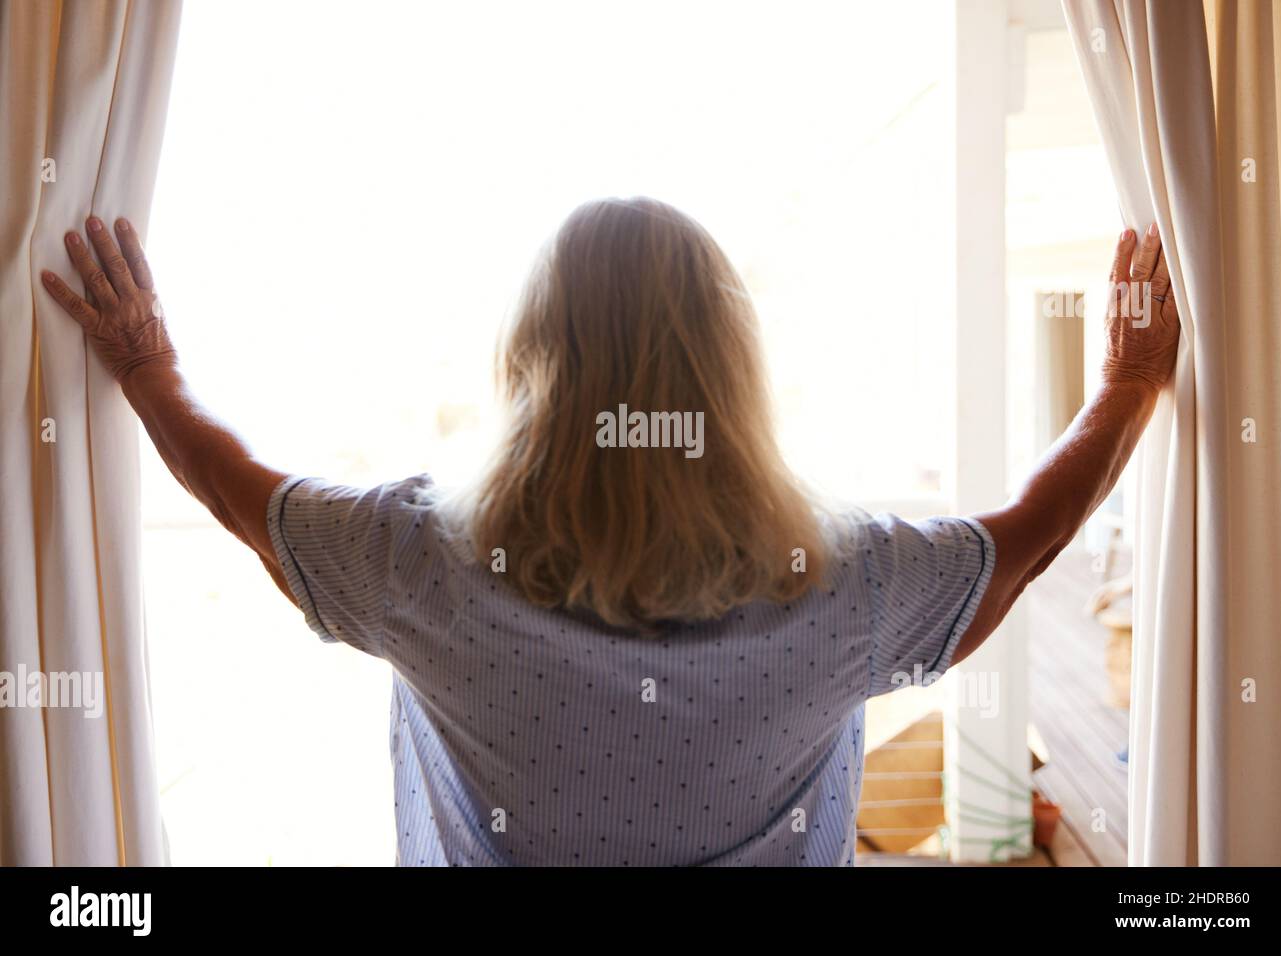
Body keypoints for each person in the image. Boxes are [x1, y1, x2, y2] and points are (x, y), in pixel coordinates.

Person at [41, 199, 1179, 865]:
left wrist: (144, 362)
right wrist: (1126, 383)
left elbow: (243, 493)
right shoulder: (849, 583)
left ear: (528, 366)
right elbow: (1024, 534)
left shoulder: (423, 565)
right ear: (732, 374)